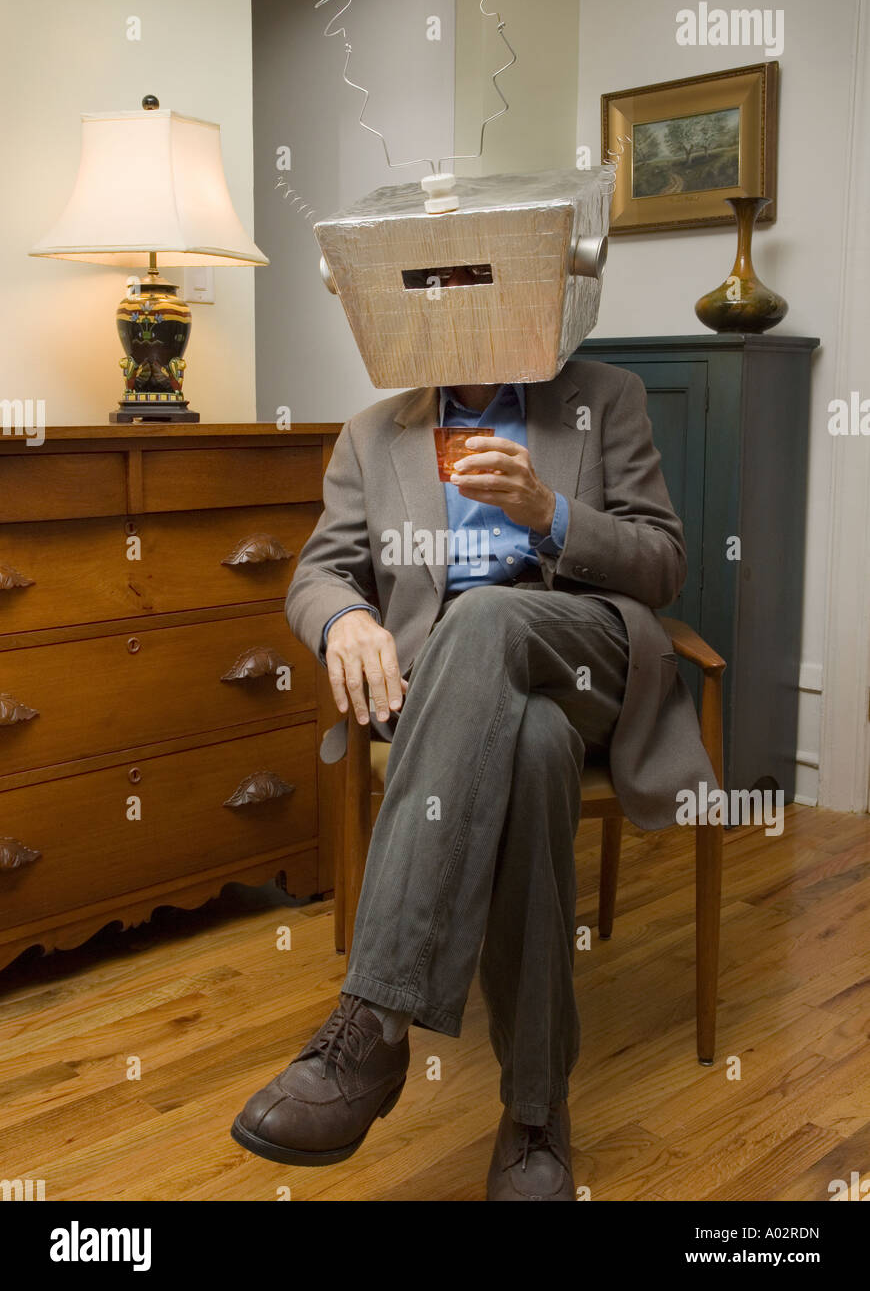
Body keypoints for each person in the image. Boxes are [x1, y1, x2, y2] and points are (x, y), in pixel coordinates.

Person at [231, 353, 715, 1201]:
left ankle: (374, 1023)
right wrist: (344, 618)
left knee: (488, 615)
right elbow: (318, 573)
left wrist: (552, 513)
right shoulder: (373, 433)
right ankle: (536, 1114)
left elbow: (664, 564)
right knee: (529, 746)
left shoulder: (606, 399)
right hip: (450, 692)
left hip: (586, 657)